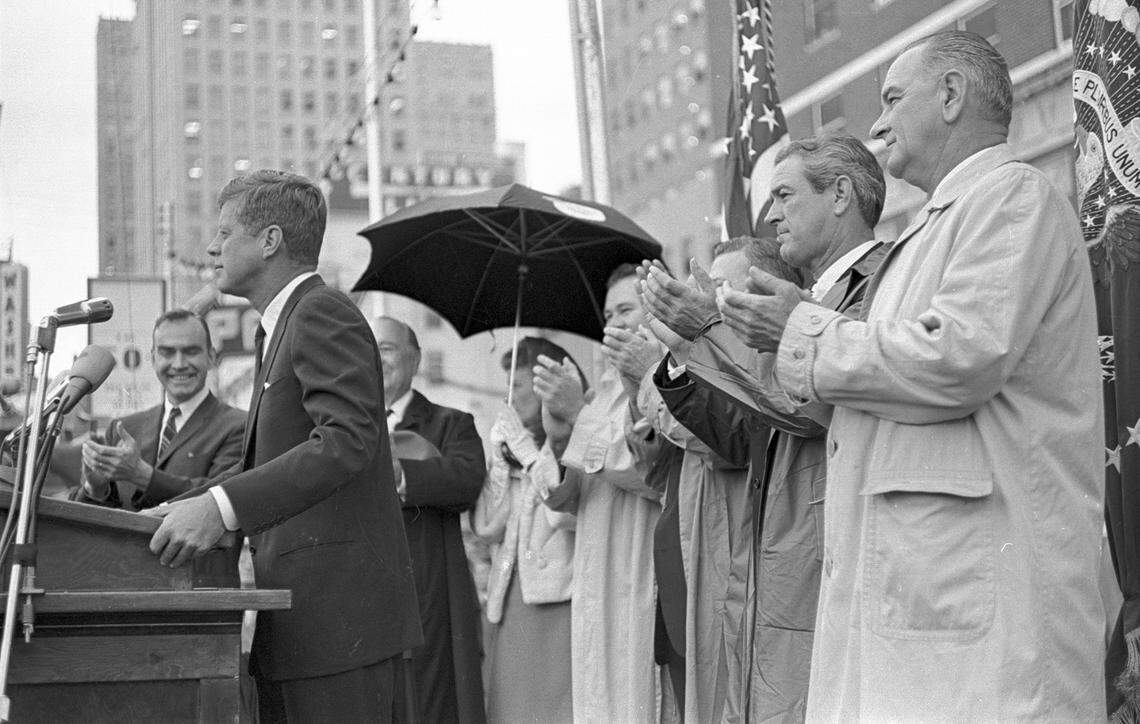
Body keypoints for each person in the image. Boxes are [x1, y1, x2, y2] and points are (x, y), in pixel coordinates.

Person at [710, 32, 1105, 719]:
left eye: (893, 97)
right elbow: (878, 388)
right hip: (929, 604)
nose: (877, 122)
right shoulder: (935, 229)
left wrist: (800, 330)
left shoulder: (1011, 199)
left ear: (950, 96)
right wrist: (782, 330)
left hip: (978, 618)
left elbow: (957, 359)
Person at [146, 170, 422, 722]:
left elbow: (346, 441)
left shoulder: (320, 312)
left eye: (225, 233)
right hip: (301, 627)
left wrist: (220, 509)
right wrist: (186, 505)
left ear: (269, 240)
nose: (211, 247)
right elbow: (268, 464)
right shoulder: (276, 328)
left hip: (340, 627)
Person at [642, 134, 888, 722]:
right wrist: (685, 351)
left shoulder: (879, 284)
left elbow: (803, 404)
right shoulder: (810, 295)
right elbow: (742, 437)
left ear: (841, 195)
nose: (771, 213)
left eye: (784, 194)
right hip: (772, 559)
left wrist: (710, 330)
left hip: (827, 547)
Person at [532, 263, 664, 722]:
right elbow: (564, 509)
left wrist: (578, 416)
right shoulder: (602, 390)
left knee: (638, 696)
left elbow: (649, 473)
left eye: (626, 309)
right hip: (596, 568)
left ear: (656, 311)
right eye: (608, 314)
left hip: (640, 562)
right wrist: (558, 433)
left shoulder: (665, 377)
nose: (614, 324)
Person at [377, 316, 486, 724]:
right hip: (362, 593)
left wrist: (402, 473)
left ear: (416, 358)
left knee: (429, 704)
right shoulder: (346, 426)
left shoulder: (451, 422)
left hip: (427, 590)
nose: (376, 358)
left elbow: (465, 480)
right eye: (367, 349)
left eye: (386, 348)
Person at [472, 336, 582, 724]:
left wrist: (531, 454)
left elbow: (564, 512)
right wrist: (501, 466)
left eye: (516, 385)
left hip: (557, 598)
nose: (510, 396)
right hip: (509, 597)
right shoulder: (510, 446)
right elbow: (486, 526)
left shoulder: (574, 436)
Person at [76, 309, 245, 510]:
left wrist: (141, 474)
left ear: (211, 357)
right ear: (153, 359)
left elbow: (221, 497)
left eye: (191, 351)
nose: (179, 364)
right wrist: (96, 488)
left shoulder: (239, 427)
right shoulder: (124, 428)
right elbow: (95, 524)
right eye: (167, 352)